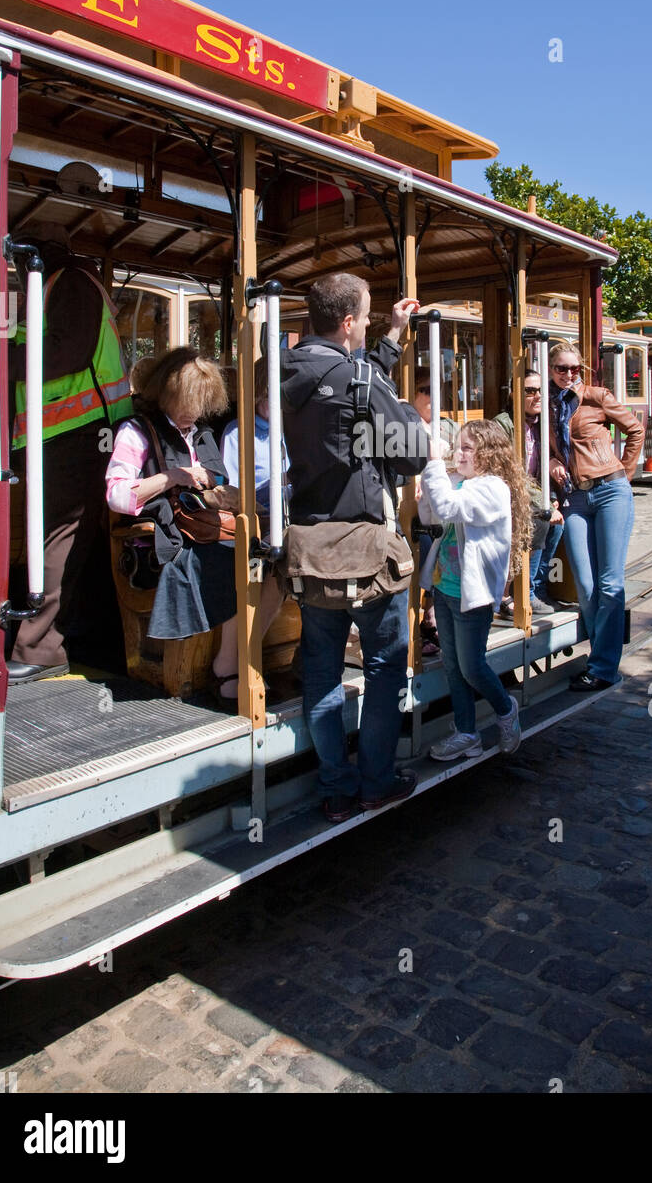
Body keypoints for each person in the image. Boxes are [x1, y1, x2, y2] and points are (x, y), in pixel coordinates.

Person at [280, 273, 428, 823]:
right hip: (365, 548)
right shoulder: (358, 376)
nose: (368, 324)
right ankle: (377, 782)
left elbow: (347, 391)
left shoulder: (289, 371)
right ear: (347, 324)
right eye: (366, 318)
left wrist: (391, 337)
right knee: (387, 667)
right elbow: (412, 453)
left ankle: (336, 791)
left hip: (310, 550)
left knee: (320, 671)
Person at [8, 223, 134, 683]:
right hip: (57, 436)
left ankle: (39, 646)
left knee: (61, 537)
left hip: (83, 434)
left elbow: (65, 355)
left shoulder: (73, 281)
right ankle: (82, 634)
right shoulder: (49, 289)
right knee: (70, 539)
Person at [105, 347, 240, 702]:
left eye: (200, 404)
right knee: (234, 562)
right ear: (165, 393)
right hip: (166, 542)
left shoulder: (201, 433)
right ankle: (225, 670)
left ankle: (238, 662)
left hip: (207, 529)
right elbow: (118, 496)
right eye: (186, 402)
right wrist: (172, 477)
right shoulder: (135, 432)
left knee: (262, 557)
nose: (192, 413)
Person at [419, 421, 532, 760]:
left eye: (468, 448)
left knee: (471, 667)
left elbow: (450, 507)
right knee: (452, 666)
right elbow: (433, 514)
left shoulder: (493, 488)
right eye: (459, 446)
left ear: (488, 453)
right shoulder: (462, 482)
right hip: (444, 588)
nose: (459, 453)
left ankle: (505, 708)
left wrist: (435, 464)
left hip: (473, 595)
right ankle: (467, 733)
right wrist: (430, 487)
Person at [548, 342, 645, 692]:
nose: (569, 374)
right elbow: (544, 447)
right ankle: (602, 651)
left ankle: (603, 667)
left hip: (609, 491)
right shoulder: (547, 405)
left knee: (609, 582)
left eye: (575, 368)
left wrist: (625, 473)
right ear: (550, 369)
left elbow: (635, 430)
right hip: (574, 498)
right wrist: (551, 461)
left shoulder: (596, 396)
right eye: (562, 369)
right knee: (586, 587)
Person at [494, 372, 562, 616]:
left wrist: (552, 497)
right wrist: (545, 504)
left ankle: (537, 586)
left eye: (540, 391)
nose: (537, 396)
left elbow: (543, 466)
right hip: (509, 495)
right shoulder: (503, 424)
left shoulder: (544, 423)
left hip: (535, 495)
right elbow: (511, 473)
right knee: (541, 520)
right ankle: (521, 594)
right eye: (530, 391)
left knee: (559, 525)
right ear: (514, 394)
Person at [412, 376, 457, 654]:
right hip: (413, 509)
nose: (430, 396)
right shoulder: (403, 424)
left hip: (440, 505)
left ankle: (432, 618)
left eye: (435, 390)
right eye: (424, 390)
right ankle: (422, 620)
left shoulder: (447, 426)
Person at [220, 357, 287, 517]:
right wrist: (276, 483)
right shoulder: (237, 433)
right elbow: (234, 494)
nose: (278, 404)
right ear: (257, 396)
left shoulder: (293, 428)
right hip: (262, 518)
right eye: (270, 397)